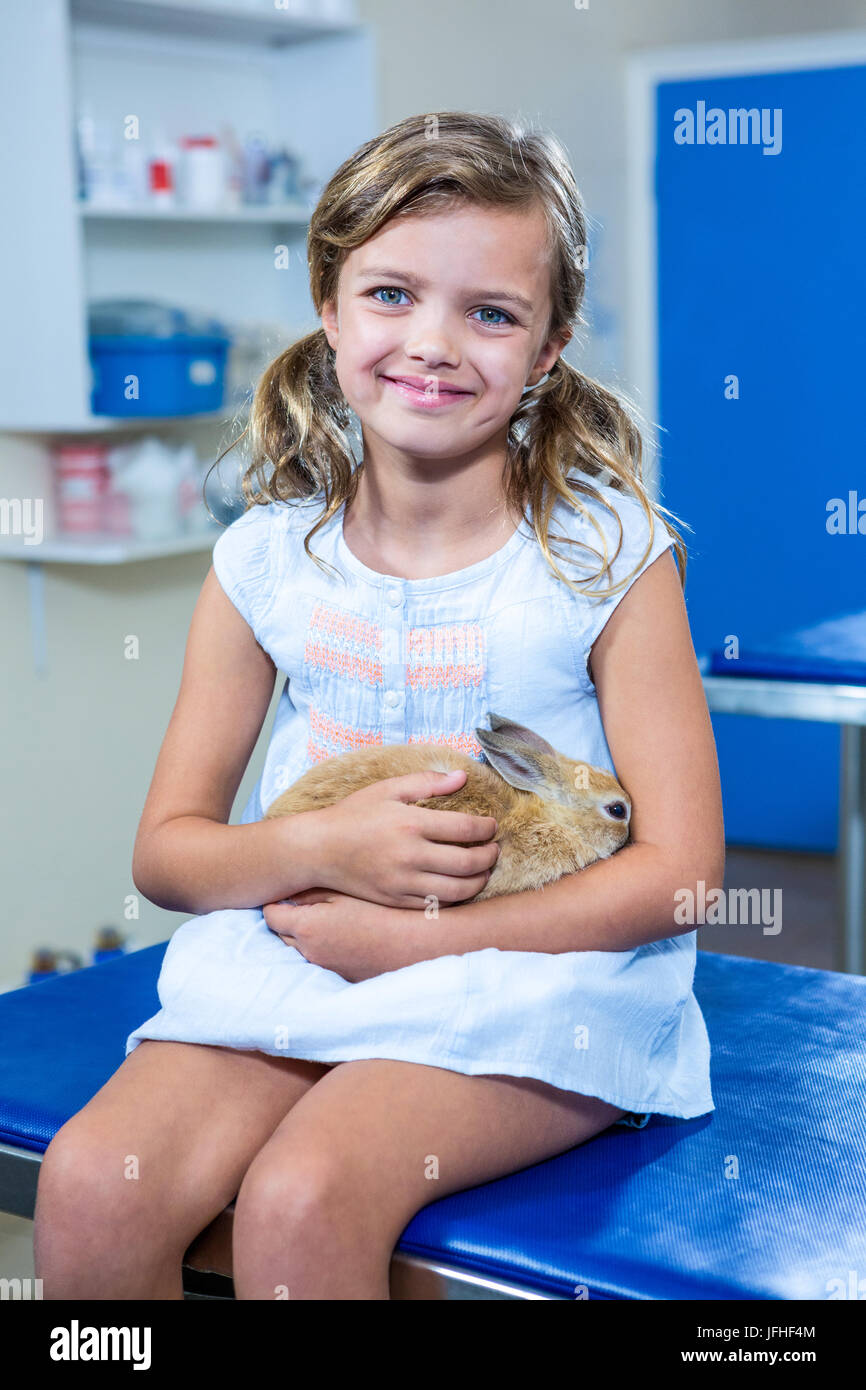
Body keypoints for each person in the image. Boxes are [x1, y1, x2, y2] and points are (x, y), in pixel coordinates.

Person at [33, 110, 724, 1300]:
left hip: (533, 979)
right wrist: (316, 849)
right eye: (392, 293)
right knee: (93, 1181)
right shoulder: (264, 558)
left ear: (551, 345)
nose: (433, 343)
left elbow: (684, 872)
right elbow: (168, 853)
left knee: (307, 1196)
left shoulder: (607, 557)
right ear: (329, 302)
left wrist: (420, 939)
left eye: (490, 312)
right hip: (303, 955)